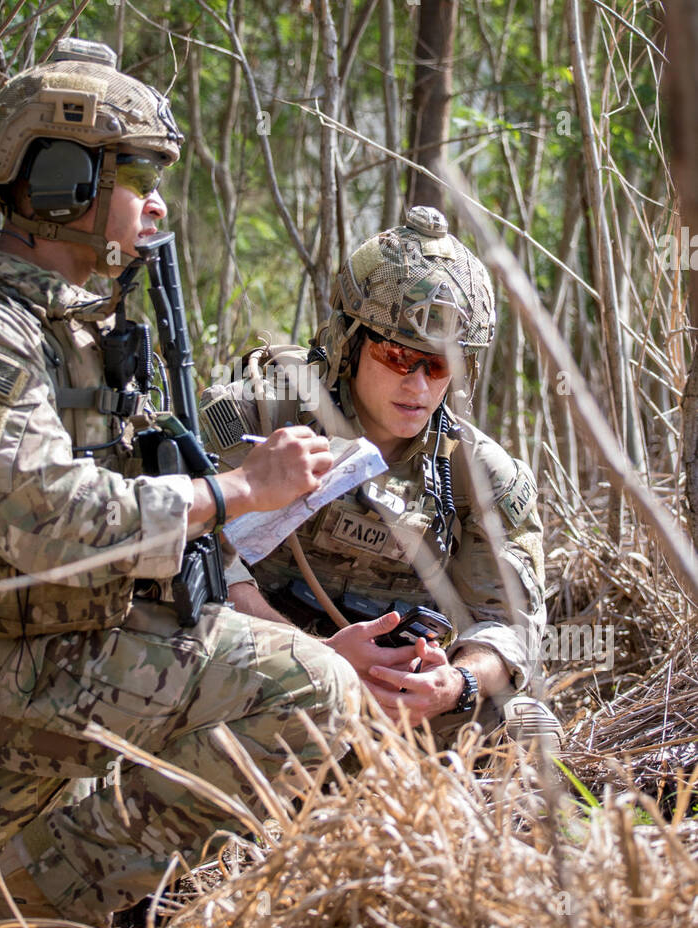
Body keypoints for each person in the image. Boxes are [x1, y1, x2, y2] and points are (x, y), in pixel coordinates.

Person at [0, 37, 361, 928]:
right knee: (309, 689)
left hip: (48, 663)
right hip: (2, 674)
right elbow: (45, 519)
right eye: (136, 174)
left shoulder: (73, 323)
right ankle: (47, 913)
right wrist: (233, 491)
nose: (155, 203)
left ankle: (61, 910)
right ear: (62, 181)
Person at [200, 210, 560, 748]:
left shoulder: (478, 474)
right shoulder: (255, 420)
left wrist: (453, 681)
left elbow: (508, 622)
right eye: (398, 356)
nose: (417, 384)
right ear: (348, 343)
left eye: (440, 366)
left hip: (392, 697)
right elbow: (196, 565)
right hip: (259, 666)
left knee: (527, 726)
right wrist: (319, 659)